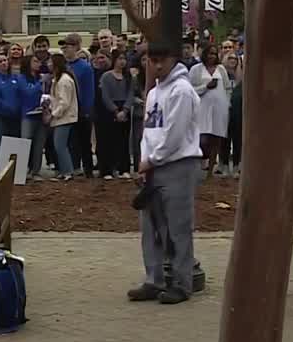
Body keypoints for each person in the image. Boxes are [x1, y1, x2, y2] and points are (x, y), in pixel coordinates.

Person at [128, 47, 201, 305]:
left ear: (173, 60)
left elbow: (175, 134)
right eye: (151, 61)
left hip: (178, 164)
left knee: (177, 227)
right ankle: (154, 278)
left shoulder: (181, 90)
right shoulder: (155, 92)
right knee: (151, 226)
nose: (156, 66)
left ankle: (182, 283)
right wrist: (144, 160)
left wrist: (152, 160)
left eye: (161, 60)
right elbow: (149, 131)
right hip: (153, 165)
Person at [190, 44, 231, 177]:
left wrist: (227, 103)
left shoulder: (221, 69)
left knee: (216, 138)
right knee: (203, 139)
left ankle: (210, 172)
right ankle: (200, 162)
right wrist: (206, 86)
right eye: (209, 53)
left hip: (220, 108)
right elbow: (190, 90)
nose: (212, 56)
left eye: (214, 54)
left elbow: (227, 87)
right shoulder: (196, 69)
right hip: (202, 108)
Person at [62, 33, 95, 178]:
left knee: (84, 141)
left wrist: (87, 109)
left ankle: (88, 169)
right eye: (63, 46)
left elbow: (89, 89)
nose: (64, 49)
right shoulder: (63, 66)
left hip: (81, 110)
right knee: (71, 141)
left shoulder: (85, 67)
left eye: (67, 46)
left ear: (76, 47)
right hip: (67, 110)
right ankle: (74, 167)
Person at [98, 49, 134, 179]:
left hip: (124, 108)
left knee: (123, 140)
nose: (122, 62)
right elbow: (105, 96)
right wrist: (115, 110)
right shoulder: (106, 76)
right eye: (119, 59)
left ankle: (123, 168)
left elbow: (131, 94)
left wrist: (125, 110)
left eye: (124, 59)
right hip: (111, 110)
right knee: (109, 140)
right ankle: (107, 170)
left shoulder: (129, 76)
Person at [47, 53, 79, 181]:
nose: (48, 64)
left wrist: (53, 114)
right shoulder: (58, 79)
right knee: (59, 145)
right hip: (61, 117)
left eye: (50, 62)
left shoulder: (64, 80)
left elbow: (64, 102)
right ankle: (64, 170)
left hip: (64, 118)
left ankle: (68, 171)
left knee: (60, 145)